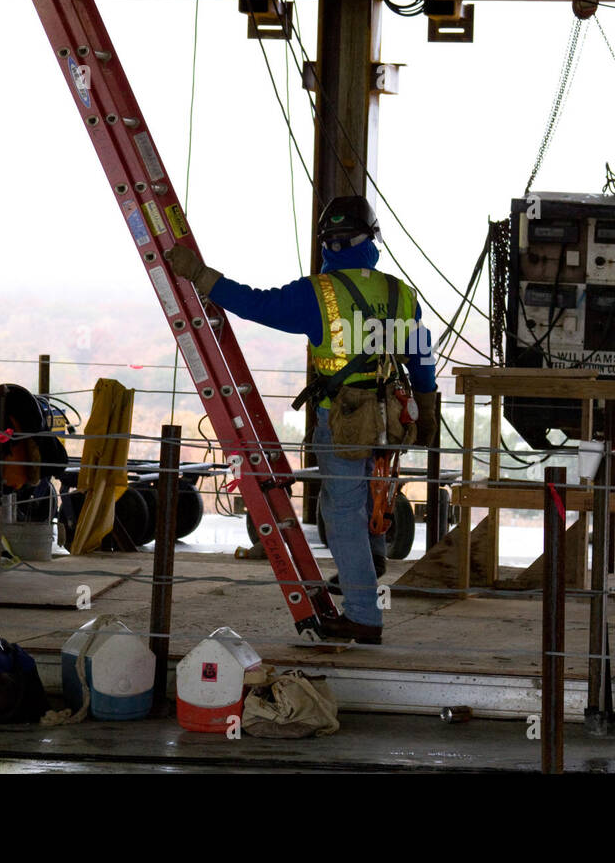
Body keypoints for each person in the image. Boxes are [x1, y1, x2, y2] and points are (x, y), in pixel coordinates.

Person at [168, 196, 440, 645]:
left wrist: (199, 275)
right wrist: (426, 410)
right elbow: (422, 356)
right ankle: (368, 568)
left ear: (327, 245)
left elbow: (254, 304)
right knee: (359, 502)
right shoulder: (400, 293)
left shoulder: (319, 293)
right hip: (392, 416)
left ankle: (363, 616)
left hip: (346, 419)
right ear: (372, 239)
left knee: (343, 513)